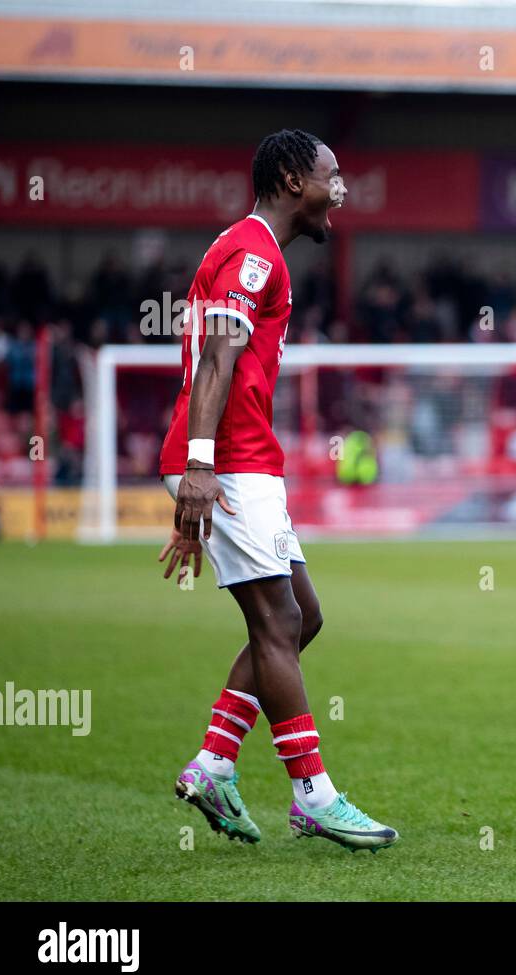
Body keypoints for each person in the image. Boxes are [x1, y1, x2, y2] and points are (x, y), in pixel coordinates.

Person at [158, 129, 398, 853]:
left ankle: (213, 763)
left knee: (301, 618)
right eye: (333, 176)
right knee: (276, 623)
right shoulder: (253, 253)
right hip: (227, 461)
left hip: (240, 460)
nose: (342, 188)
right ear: (294, 180)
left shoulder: (253, 250)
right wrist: (200, 468)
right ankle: (314, 796)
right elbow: (217, 361)